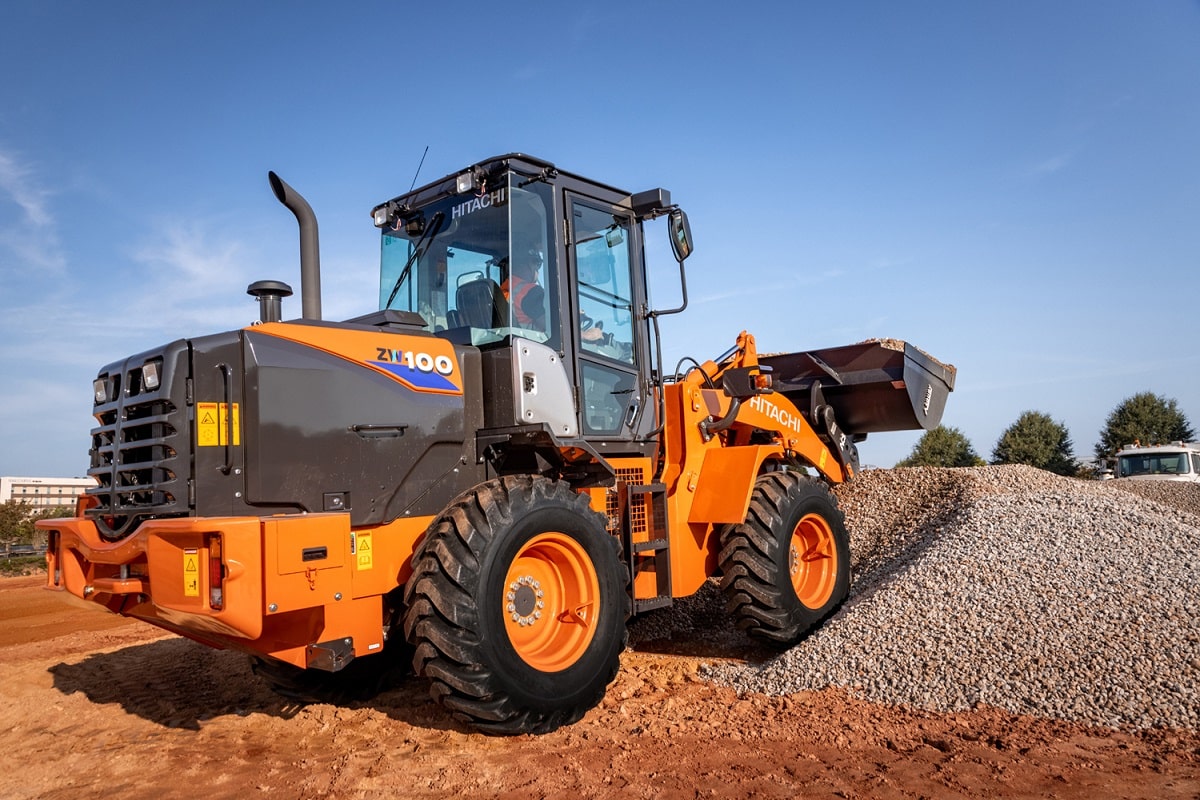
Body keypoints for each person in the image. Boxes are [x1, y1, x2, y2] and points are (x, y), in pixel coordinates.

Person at [500, 247, 546, 329]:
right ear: (523, 264)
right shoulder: (532, 291)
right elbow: (551, 325)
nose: (537, 269)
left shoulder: (503, 288)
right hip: (530, 337)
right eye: (536, 263)